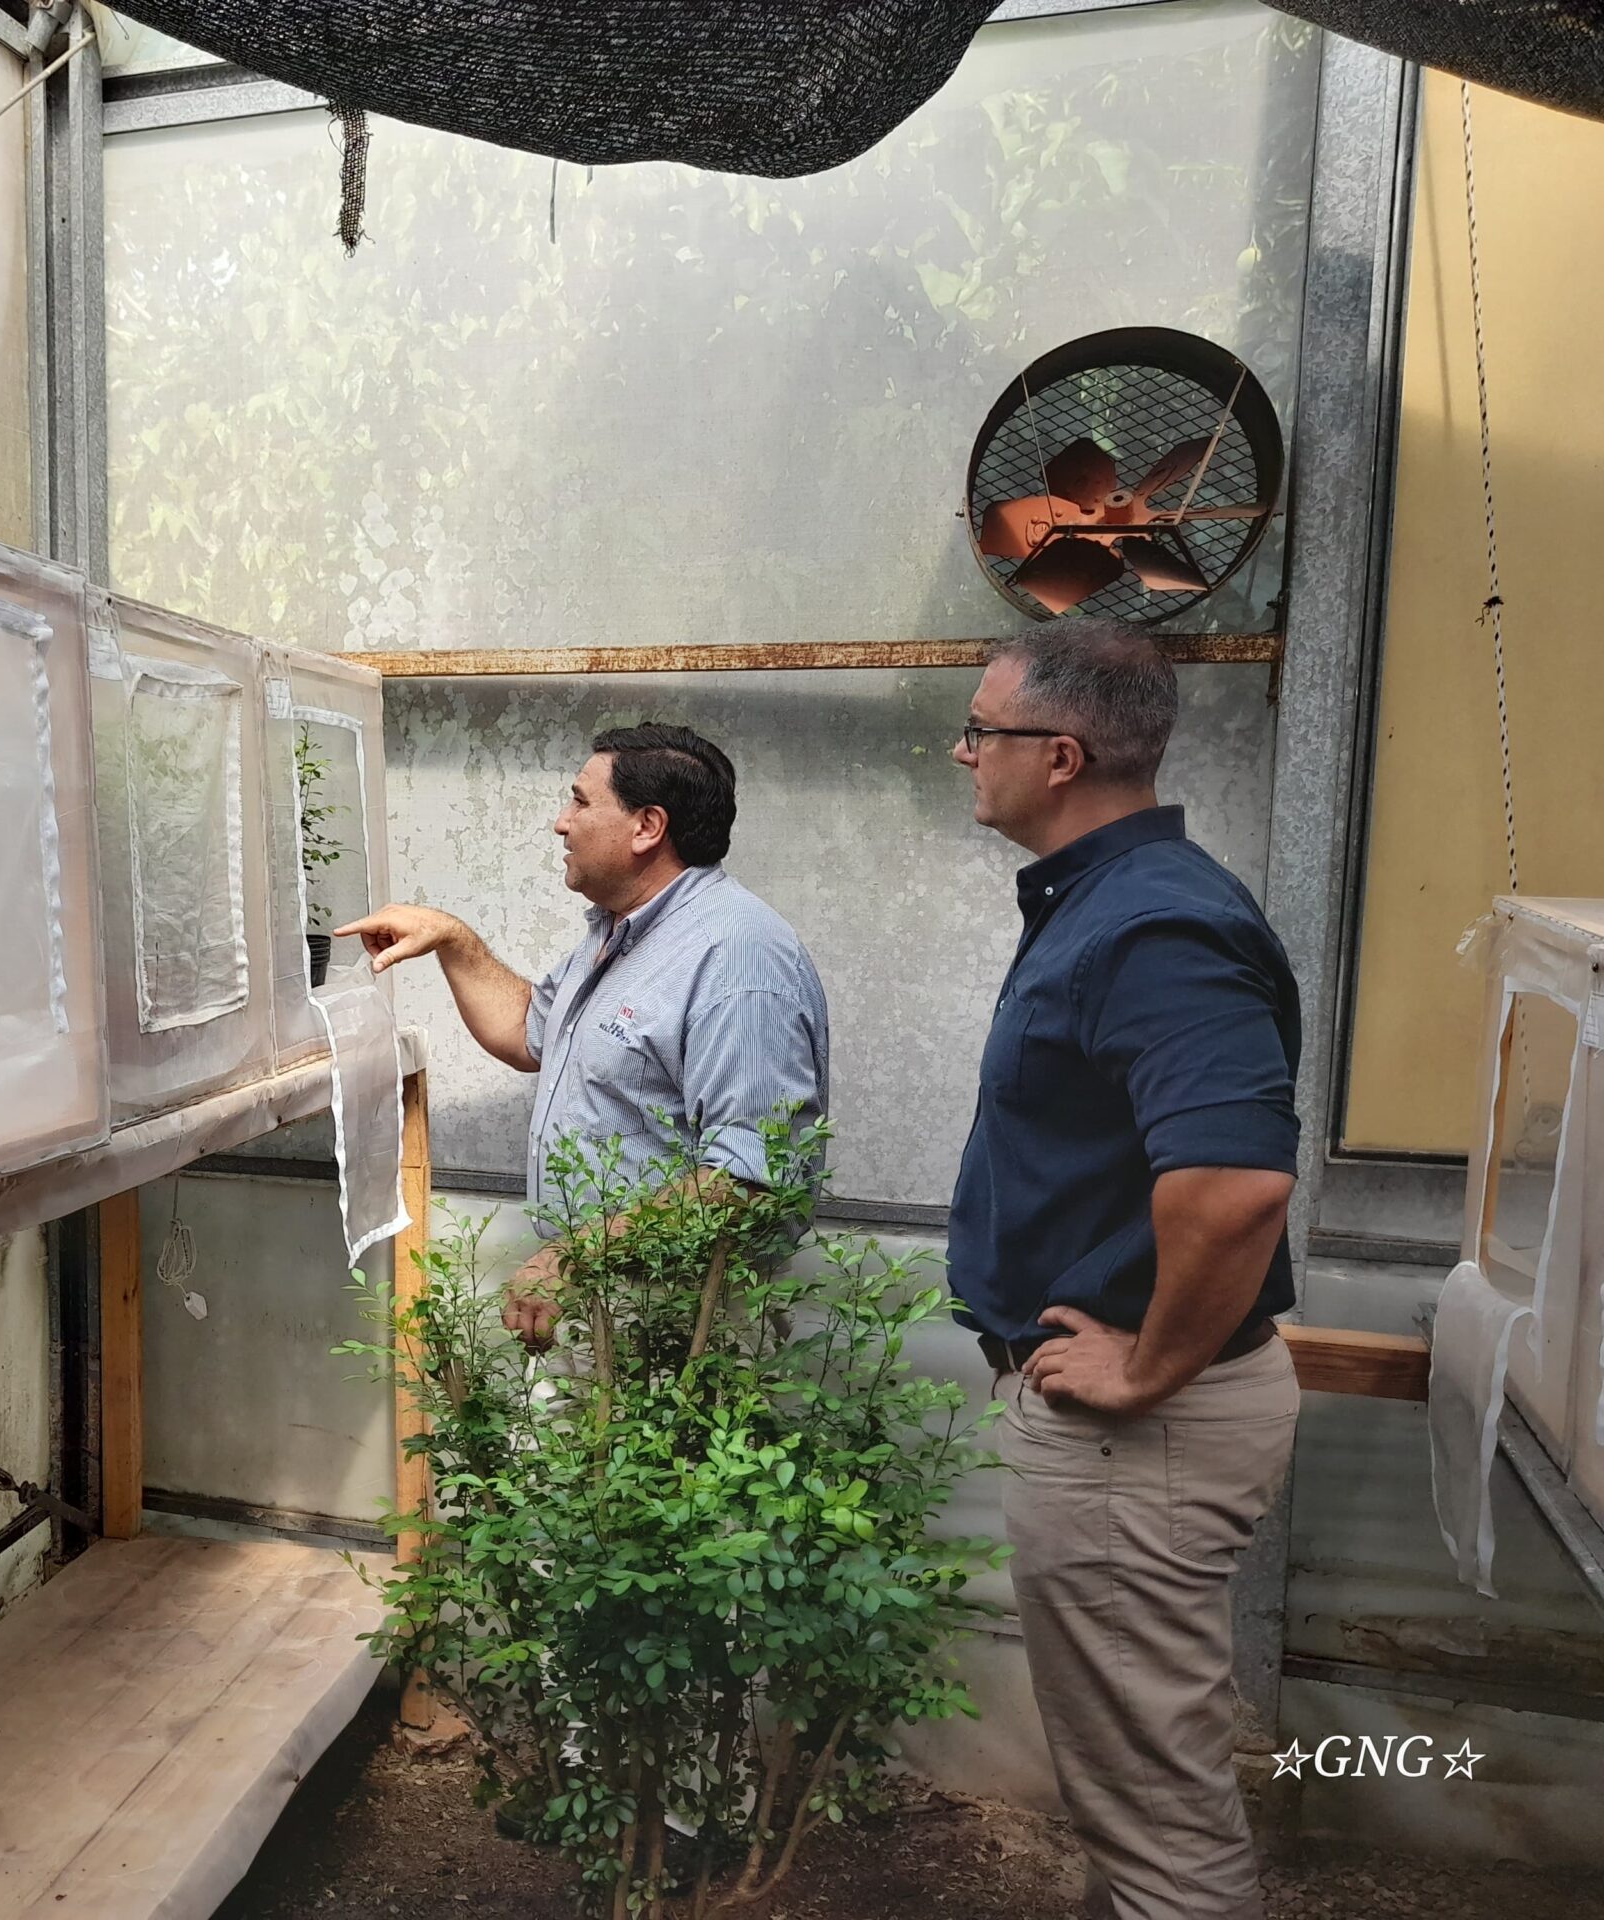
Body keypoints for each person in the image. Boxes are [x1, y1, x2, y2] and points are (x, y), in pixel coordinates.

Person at [948, 618, 1302, 1920]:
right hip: (1129, 1430)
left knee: (1160, 1834)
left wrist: (1150, 1368)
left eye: (978, 732)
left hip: (1137, 1435)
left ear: (1059, 754)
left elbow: (1235, 1181)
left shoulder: (1153, 923)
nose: (961, 753)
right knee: (1133, 1798)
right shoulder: (1110, 902)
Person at [338, 722, 828, 1346]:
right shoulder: (622, 930)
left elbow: (749, 1182)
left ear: (647, 827)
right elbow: (527, 1032)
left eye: (581, 801)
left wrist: (573, 1256)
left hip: (681, 1317)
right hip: (606, 1289)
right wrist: (450, 936)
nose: (561, 822)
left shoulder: (736, 959)